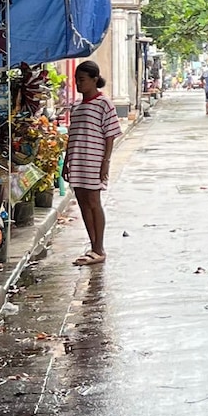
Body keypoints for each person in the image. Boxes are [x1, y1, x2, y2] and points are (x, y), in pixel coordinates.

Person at [63, 58, 122, 265]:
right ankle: (92, 244)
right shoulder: (76, 106)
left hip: (94, 160)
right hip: (77, 161)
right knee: (82, 203)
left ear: (94, 79)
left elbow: (110, 135)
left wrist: (106, 161)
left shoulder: (104, 103)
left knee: (94, 202)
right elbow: (72, 136)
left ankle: (99, 248)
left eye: (82, 80)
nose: (79, 84)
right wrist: (66, 162)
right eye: (76, 80)